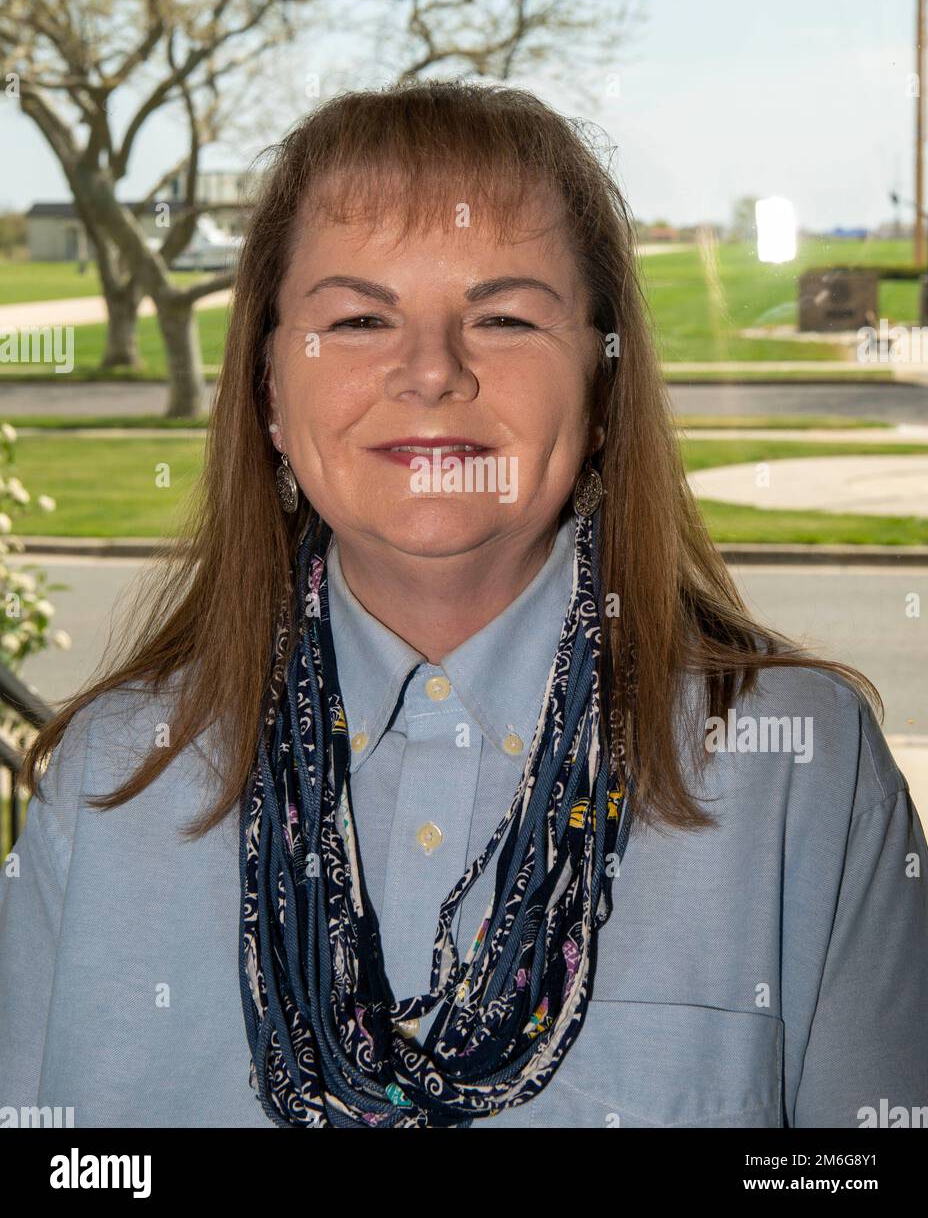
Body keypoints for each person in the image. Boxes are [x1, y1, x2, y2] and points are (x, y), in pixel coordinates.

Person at [1, 80, 926, 1129]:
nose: (431, 370)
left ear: (602, 380)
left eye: (503, 317)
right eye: (357, 317)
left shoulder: (801, 772)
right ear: (265, 390)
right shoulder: (107, 778)